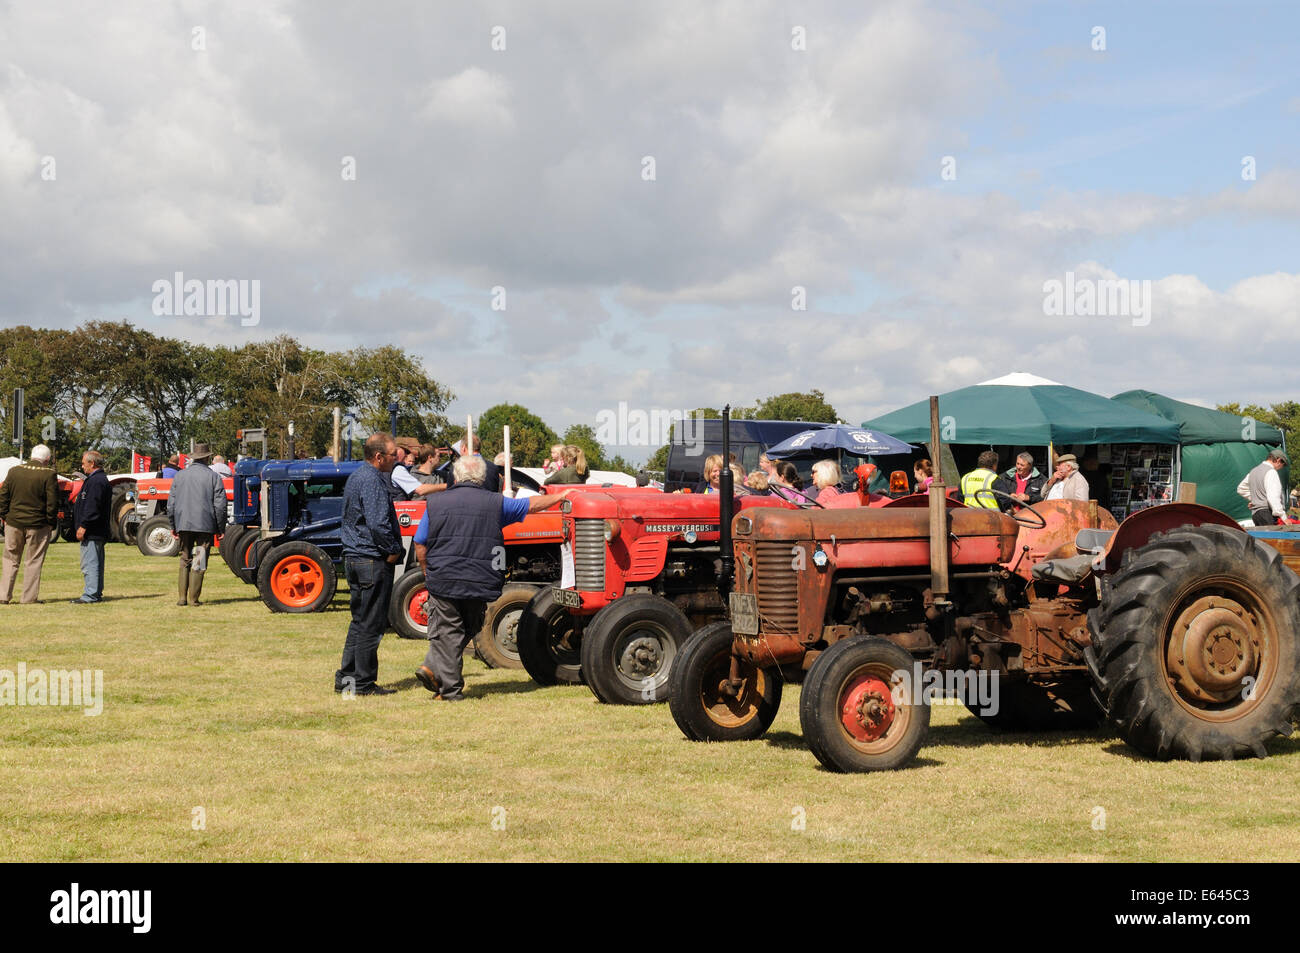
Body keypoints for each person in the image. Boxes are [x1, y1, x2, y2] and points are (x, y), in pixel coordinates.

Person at [412, 455, 572, 700]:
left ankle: (432, 665)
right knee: (466, 627)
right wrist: (561, 497)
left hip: (443, 578)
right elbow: (532, 505)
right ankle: (450, 691)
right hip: (479, 579)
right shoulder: (496, 503)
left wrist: (426, 570)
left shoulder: (436, 503)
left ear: (455, 477)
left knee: (452, 630)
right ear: (482, 478)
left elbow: (420, 543)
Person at [336, 433, 404, 696]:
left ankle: (347, 678)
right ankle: (362, 683)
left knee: (359, 620)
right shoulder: (373, 481)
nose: (396, 459)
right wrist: (392, 550)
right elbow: (377, 523)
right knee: (371, 623)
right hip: (370, 559)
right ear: (379, 457)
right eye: (392, 455)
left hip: (355, 557)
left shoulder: (357, 476)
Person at [169, 442, 228, 606]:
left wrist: (173, 525)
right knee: (199, 559)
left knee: (184, 559)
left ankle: (182, 598)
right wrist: (220, 527)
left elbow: (171, 504)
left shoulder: (179, 476)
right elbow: (220, 505)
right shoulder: (213, 477)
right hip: (205, 524)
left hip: (183, 523)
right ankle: (194, 599)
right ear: (207, 457)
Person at [0, 444, 59, 604]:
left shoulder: (14, 471)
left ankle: (3, 596)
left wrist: (5, 516)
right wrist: (50, 522)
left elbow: (3, 496)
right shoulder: (49, 474)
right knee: (33, 561)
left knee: (10, 559)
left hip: (13, 523)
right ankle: (28, 598)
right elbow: (52, 503)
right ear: (47, 459)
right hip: (38, 525)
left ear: (31, 456)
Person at [70, 450, 113, 604]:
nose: (82, 467)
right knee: (95, 563)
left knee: (90, 563)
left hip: (92, 531)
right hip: (97, 530)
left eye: (83, 463)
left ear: (92, 463)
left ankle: (90, 594)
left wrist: (83, 526)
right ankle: (95, 592)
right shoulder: (98, 479)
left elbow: (92, 507)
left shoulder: (96, 481)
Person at [1237, 449, 1289, 526]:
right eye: (1283, 464)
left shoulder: (1253, 471)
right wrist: (1284, 517)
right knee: (1273, 538)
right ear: (1278, 460)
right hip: (1267, 514)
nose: (1281, 467)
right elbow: (1273, 497)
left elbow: (1241, 488)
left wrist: (1256, 500)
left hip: (1255, 515)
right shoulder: (1271, 472)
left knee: (1261, 538)